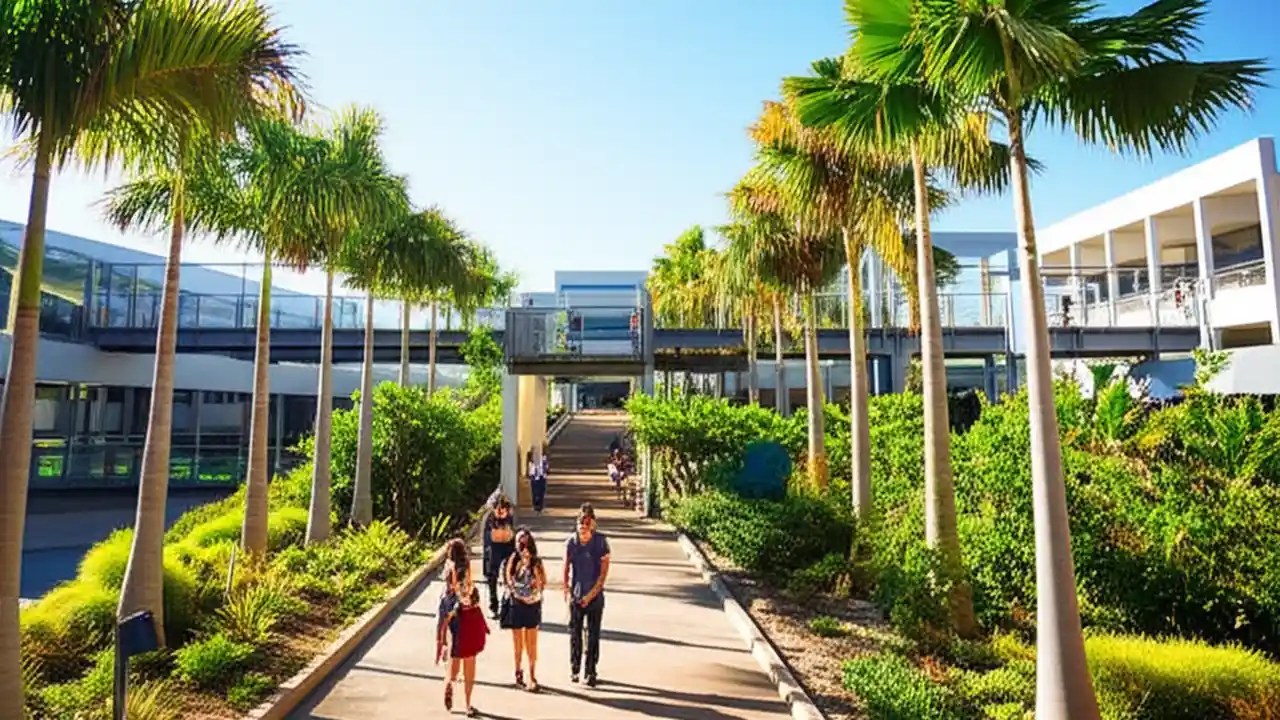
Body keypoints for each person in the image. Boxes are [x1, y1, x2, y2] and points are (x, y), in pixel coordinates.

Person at [436, 539, 488, 716]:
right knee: (470, 663)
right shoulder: (465, 569)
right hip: (467, 617)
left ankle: (449, 682)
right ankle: (467, 704)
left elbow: (447, 595)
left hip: (453, 619)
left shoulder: (447, 570)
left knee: (455, 657)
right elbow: (468, 593)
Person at [563, 503, 611, 687]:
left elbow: (603, 573)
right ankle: (574, 668)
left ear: (593, 524)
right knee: (575, 634)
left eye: (587, 523)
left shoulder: (600, 542)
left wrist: (591, 594)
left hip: (595, 596)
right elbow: (566, 566)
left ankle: (591, 670)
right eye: (580, 524)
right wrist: (566, 589)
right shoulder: (571, 542)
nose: (583, 528)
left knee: (593, 635)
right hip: (577, 594)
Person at [504, 527, 546, 691]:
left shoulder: (537, 561)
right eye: (520, 543)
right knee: (517, 642)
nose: (523, 547)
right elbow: (508, 579)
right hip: (517, 603)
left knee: (531, 642)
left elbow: (543, 582)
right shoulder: (514, 559)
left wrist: (535, 578)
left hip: (532, 604)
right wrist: (516, 591)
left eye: (525, 542)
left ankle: (532, 674)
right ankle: (518, 670)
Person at [483, 494, 516, 619]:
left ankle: (508, 605)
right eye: (498, 509)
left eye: (503, 509)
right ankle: (493, 605)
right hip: (493, 549)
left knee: (509, 576)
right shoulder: (489, 519)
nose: (501, 512)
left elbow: (510, 535)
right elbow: (491, 537)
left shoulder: (510, 518)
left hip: (508, 548)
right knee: (492, 576)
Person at [528, 449, 547, 513]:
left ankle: (540, 506)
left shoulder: (543, 458)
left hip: (541, 477)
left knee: (541, 492)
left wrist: (545, 473)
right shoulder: (532, 460)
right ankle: (535, 506)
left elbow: (546, 467)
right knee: (534, 492)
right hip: (534, 477)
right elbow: (530, 468)